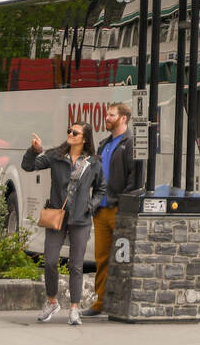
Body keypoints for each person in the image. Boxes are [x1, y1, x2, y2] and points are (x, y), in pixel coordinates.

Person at [22, 121, 106, 325]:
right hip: (57, 216)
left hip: (80, 219)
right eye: (69, 130)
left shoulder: (93, 162)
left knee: (76, 265)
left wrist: (90, 205)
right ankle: (52, 301)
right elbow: (28, 166)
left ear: (84, 139)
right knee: (50, 261)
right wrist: (34, 151)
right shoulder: (55, 156)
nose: (70, 134)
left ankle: (75, 309)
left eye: (74, 132)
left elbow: (101, 189)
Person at [85, 102, 137, 318]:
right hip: (101, 209)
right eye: (107, 114)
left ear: (123, 118)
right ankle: (100, 301)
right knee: (101, 257)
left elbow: (134, 177)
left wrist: (123, 203)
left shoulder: (129, 142)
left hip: (117, 208)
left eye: (111, 114)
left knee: (122, 259)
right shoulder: (104, 144)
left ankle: (120, 302)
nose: (107, 117)